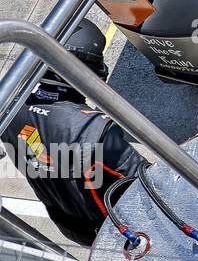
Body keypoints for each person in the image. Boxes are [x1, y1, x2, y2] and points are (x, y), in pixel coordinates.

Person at [1, 22, 145, 246]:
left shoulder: (9, 110)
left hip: (66, 224)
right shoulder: (93, 128)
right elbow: (148, 179)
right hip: (115, 228)